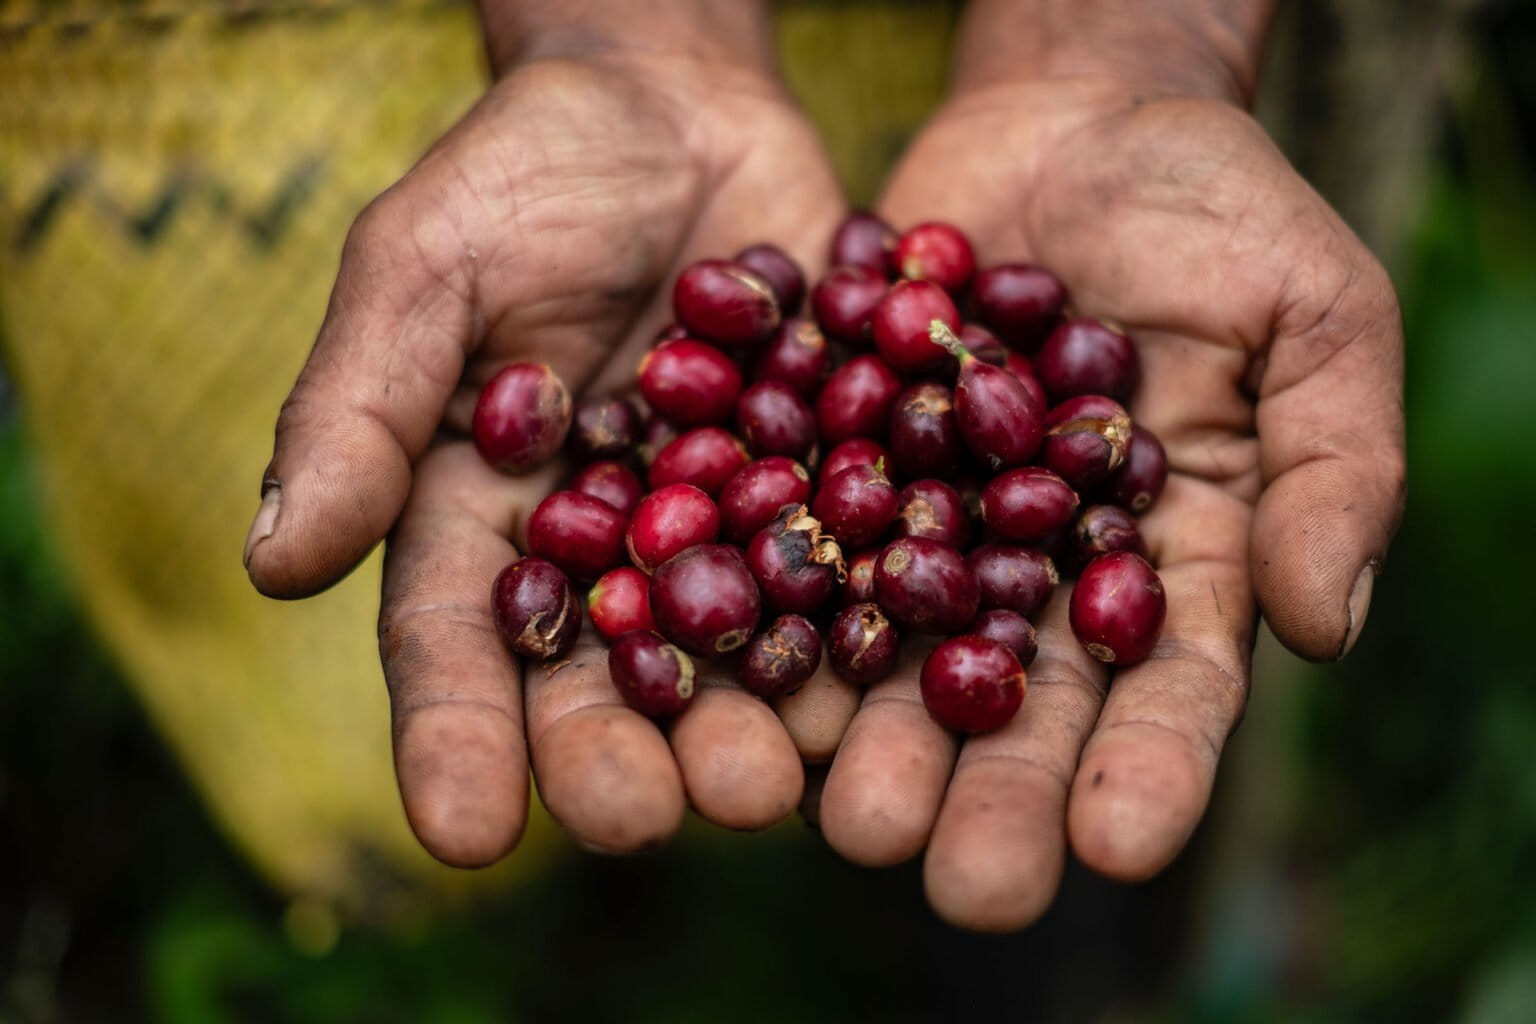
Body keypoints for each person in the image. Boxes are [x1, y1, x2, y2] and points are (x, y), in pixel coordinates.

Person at [243, 0, 1406, 932]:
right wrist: (612, 33)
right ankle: (599, 923)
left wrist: (1136, 38)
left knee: (1075, 825)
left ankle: (1090, 956)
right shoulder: (804, 463)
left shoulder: (924, 455)